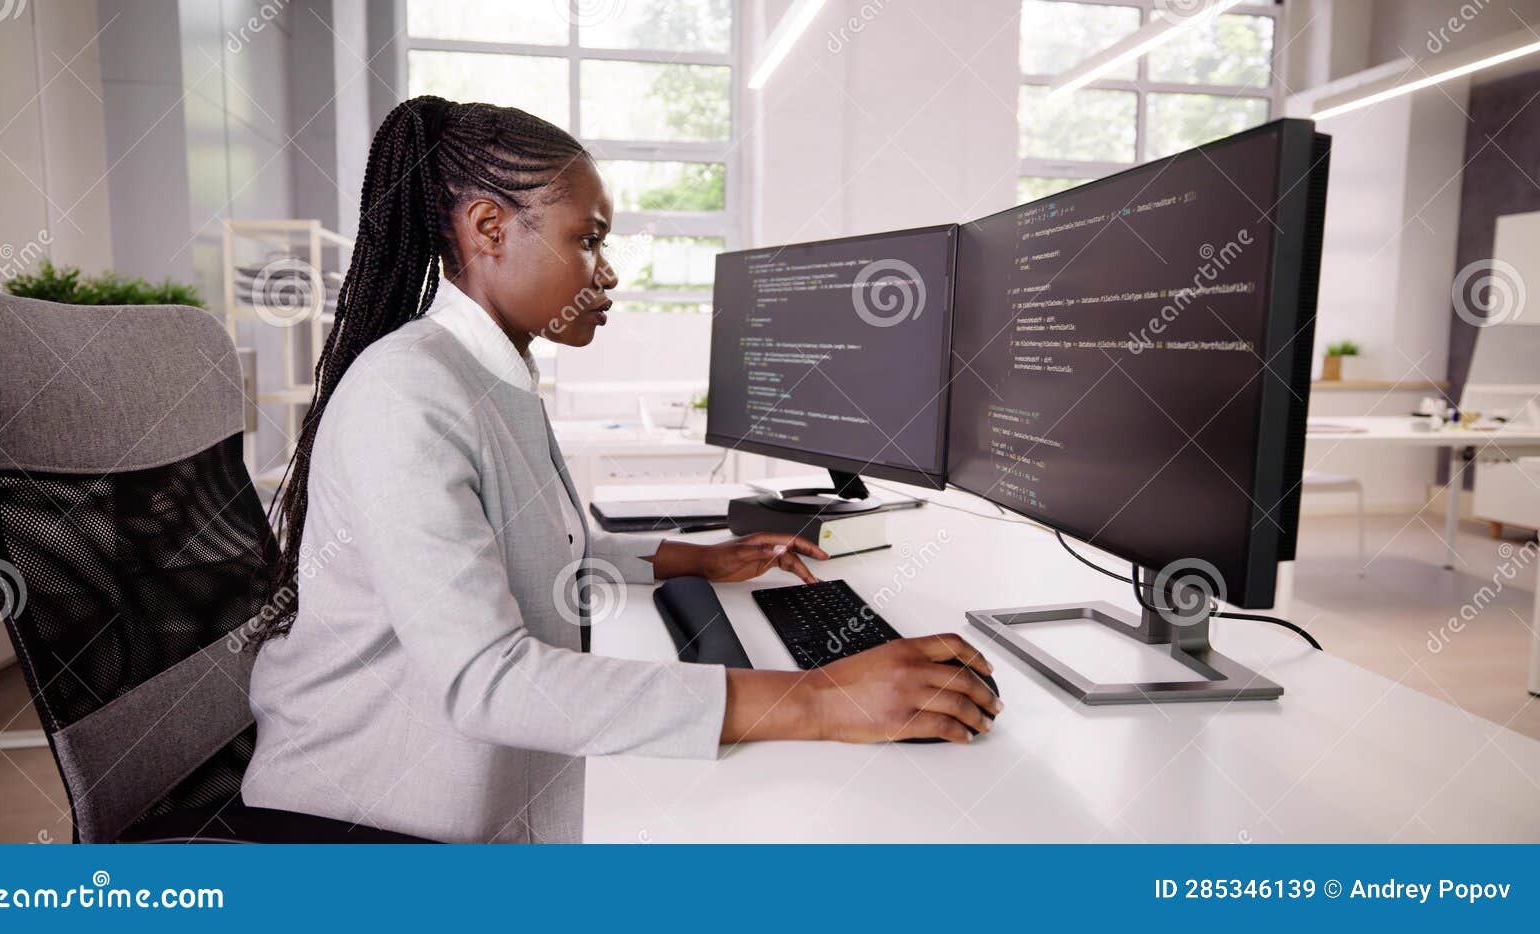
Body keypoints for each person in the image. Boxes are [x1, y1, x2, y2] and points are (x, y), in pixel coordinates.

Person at [242, 96, 1001, 843]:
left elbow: (541, 548)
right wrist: (817, 699)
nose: (606, 274)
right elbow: (488, 683)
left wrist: (695, 558)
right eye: (588, 240)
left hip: (474, 793)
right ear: (489, 229)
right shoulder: (406, 393)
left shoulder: (486, 373)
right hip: (358, 823)